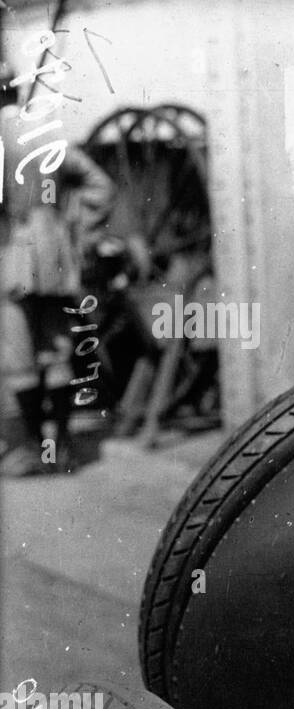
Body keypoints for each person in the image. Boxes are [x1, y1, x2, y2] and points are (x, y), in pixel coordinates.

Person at [1, 68, 116, 475]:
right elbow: (100, 186)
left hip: (13, 255)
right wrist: (75, 229)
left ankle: (35, 449)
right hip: (54, 256)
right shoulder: (45, 131)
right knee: (57, 350)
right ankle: (63, 447)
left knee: (20, 355)